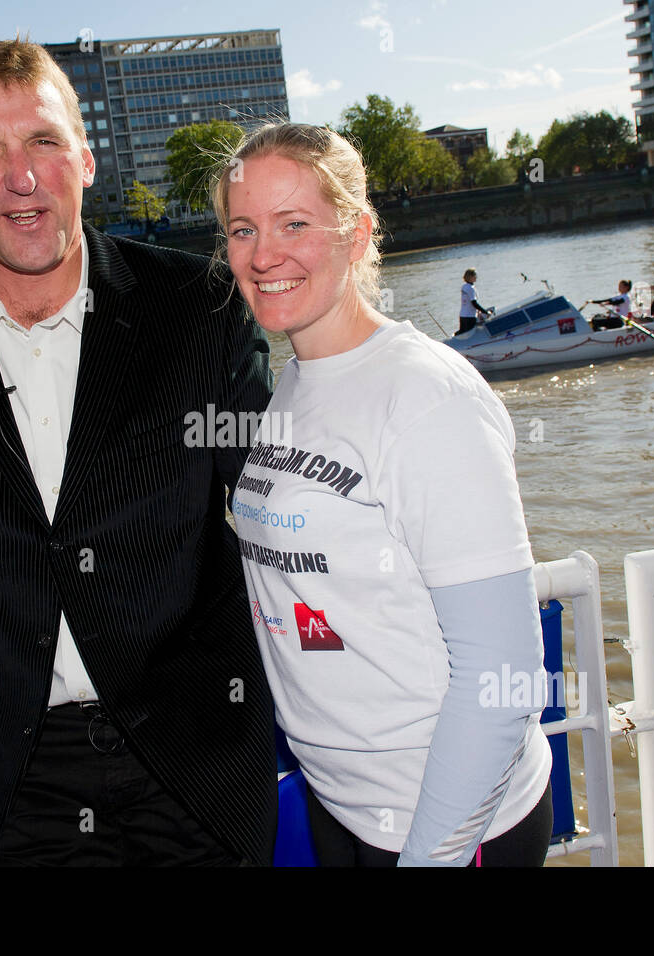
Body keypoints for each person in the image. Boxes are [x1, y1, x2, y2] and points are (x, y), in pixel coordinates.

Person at [0, 39, 277, 866]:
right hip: (7, 781)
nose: (21, 176)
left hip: (193, 766)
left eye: (43, 141)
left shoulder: (199, 307)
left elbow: (285, 512)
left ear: (85, 156)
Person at [213, 123, 553, 867]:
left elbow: (504, 675)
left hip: (448, 827)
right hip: (342, 804)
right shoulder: (294, 387)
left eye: (294, 224)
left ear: (357, 232)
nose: (264, 255)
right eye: (243, 229)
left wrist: (430, 856)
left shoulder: (427, 399)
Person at [458, 268, 493, 334]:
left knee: (462, 334)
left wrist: (479, 312)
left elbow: (468, 302)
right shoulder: (471, 288)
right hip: (470, 317)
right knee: (469, 336)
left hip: (462, 315)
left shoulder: (464, 286)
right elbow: (474, 303)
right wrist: (485, 312)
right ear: (470, 277)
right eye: (475, 275)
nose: (476, 277)